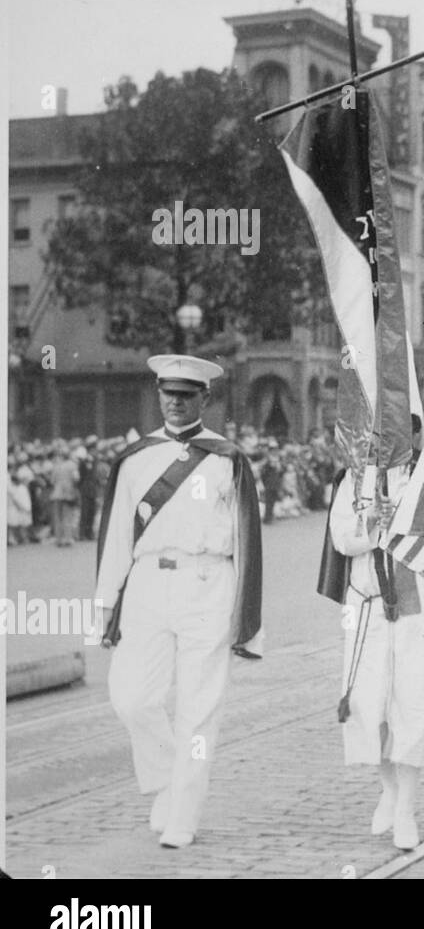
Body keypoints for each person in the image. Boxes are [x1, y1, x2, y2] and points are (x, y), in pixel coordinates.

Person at [95, 355, 262, 848]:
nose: (175, 402)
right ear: (158, 394)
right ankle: (168, 778)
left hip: (207, 583)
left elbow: (246, 541)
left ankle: (183, 814)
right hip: (147, 583)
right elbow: (116, 537)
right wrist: (105, 606)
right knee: (130, 697)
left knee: (198, 708)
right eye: (169, 393)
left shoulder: (227, 459)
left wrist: (247, 619)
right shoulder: (135, 459)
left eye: (186, 395)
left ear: (204, 399)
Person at [317, 420, 424, 852]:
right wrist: (370, 522)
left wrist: (405, 521)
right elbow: (342, 539)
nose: (384, 442)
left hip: (419, 603)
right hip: (368, 603)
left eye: (396, 431)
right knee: (367, 703)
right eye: (377, 433)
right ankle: (389, 788)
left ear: (414, 436)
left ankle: (407, 808)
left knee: (411, 705)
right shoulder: (353, 479)